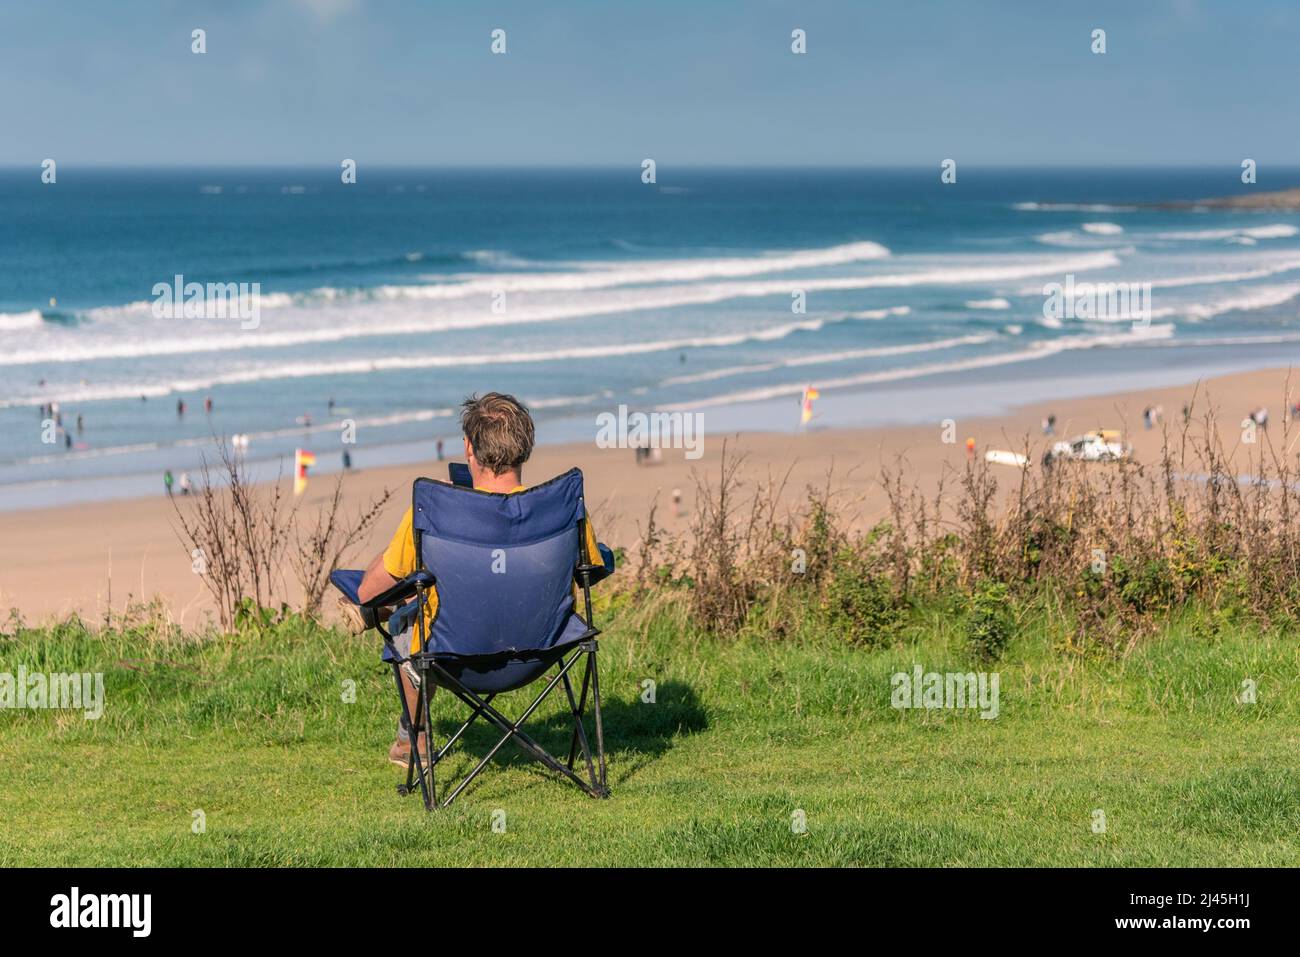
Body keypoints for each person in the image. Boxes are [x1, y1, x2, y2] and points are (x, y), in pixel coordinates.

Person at [354, 392, 603, 767]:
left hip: (454, 658)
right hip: (544, 651)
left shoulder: (435, 511)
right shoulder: (565, 508)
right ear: (526, 447)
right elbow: (593, 570)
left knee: (404, 621)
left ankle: (414, 741)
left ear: (469, 448)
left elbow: (369, 590)